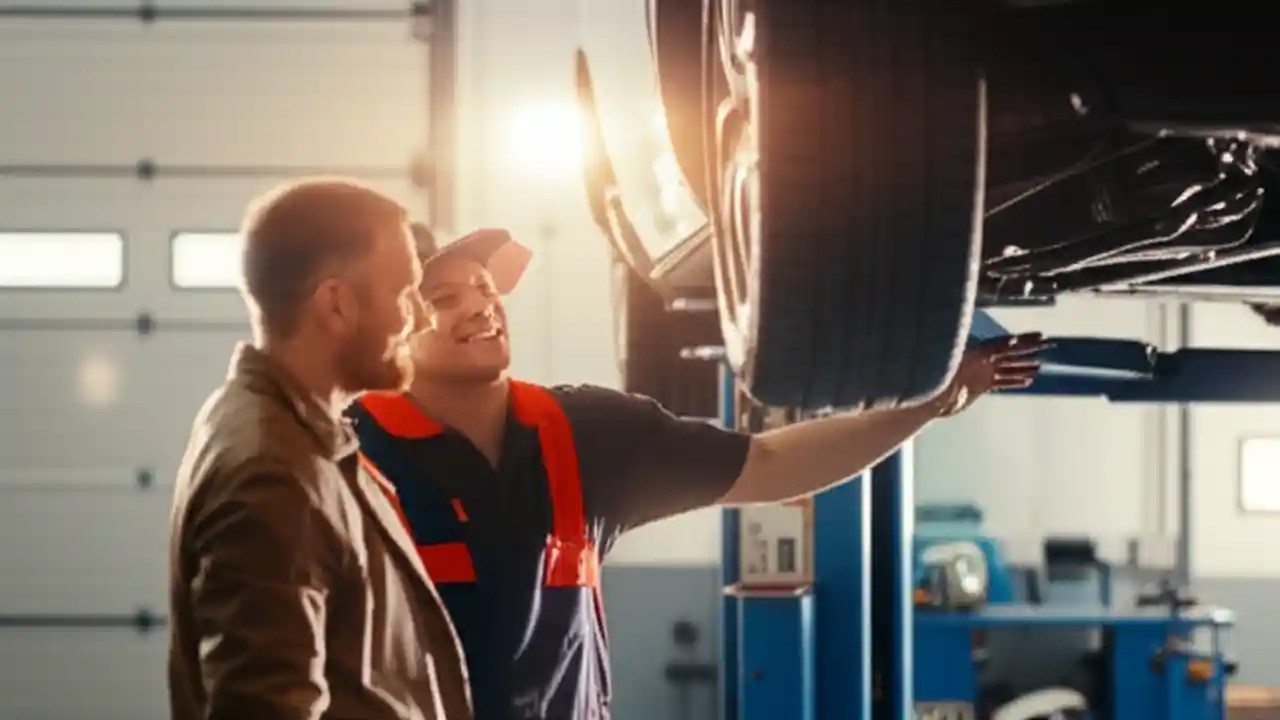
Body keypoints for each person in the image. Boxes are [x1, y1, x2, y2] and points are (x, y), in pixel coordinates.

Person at [348, 224, 1047, 720]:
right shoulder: (345, 461)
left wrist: (924, 406)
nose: (479, 304)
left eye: (482, 287)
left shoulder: (585, 434)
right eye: (441, 300)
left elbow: (771, 465)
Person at [168, 180, 472, 720]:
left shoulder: (290, 430)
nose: (423, 320)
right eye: (405, 294)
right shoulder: (273, 477)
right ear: (335, 303)